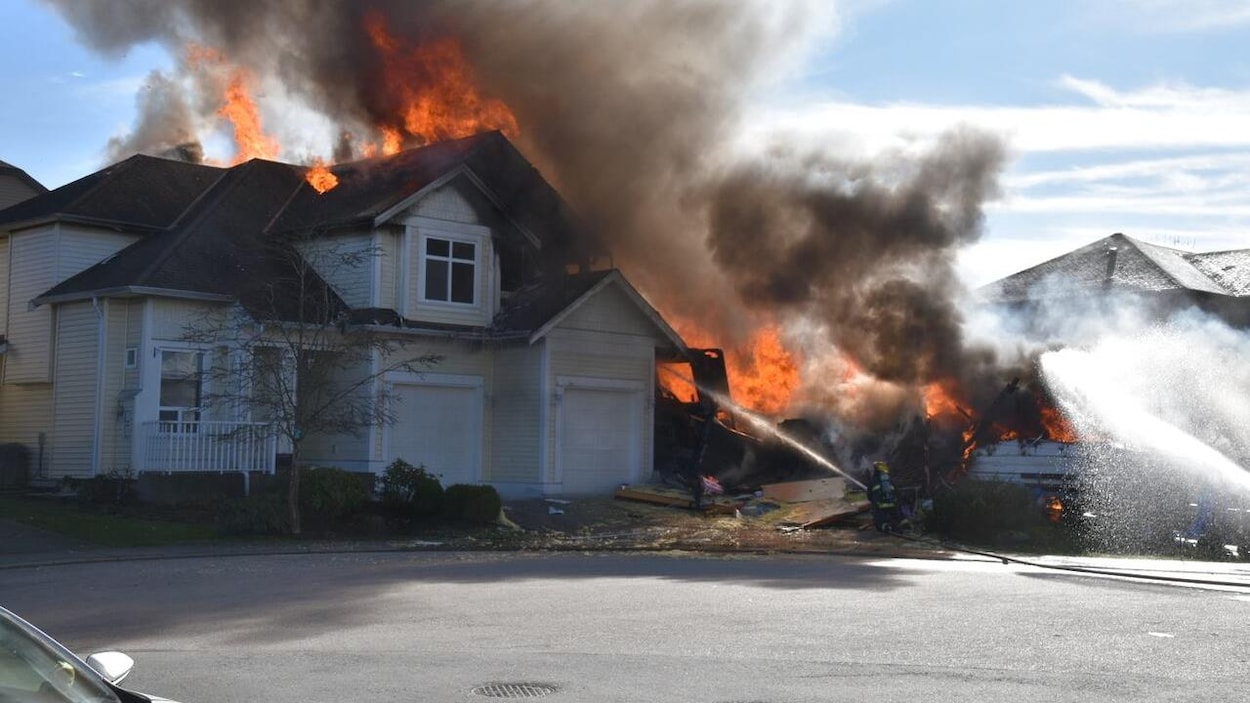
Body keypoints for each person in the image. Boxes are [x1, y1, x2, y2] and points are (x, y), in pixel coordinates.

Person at [868, 461, 901, 532]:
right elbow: (897, 492)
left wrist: (874, 501)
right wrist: (896, 501)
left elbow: (869, 494)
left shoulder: (873, 480)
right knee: (893, 518)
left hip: (879, 505)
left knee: (880, 520)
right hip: (892, 503)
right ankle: (894, 527)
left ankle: (885, 528)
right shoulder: (890, 480)